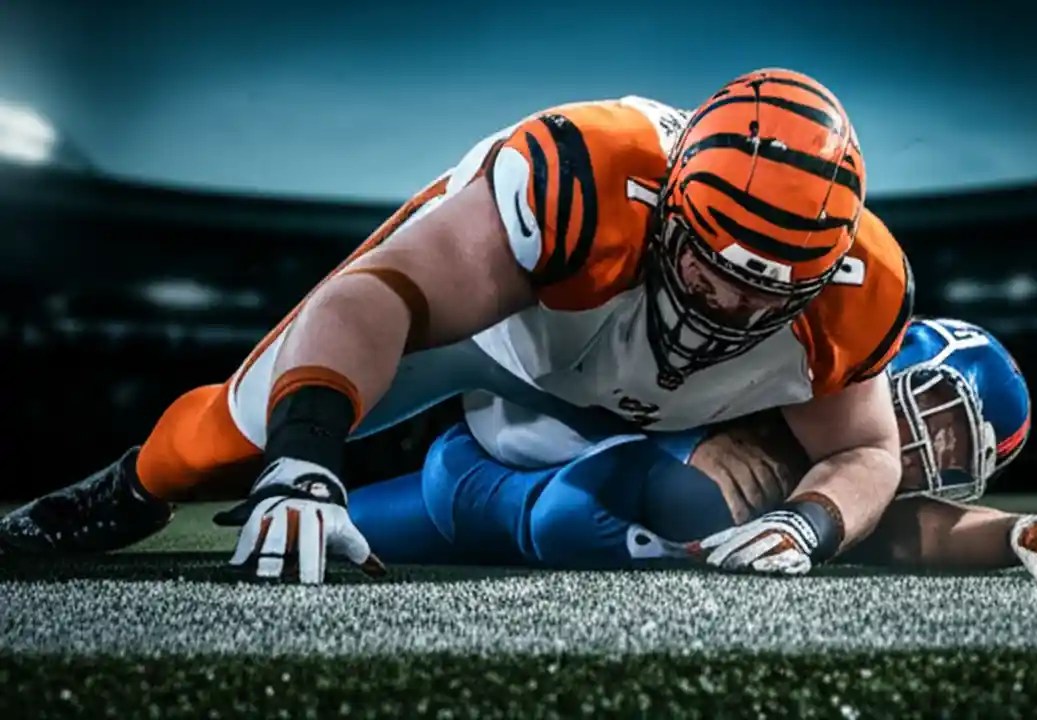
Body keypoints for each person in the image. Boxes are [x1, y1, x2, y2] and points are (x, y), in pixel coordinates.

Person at [1, 69, 915, 584]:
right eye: (710, 270)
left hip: (631, 398)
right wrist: (307, 459)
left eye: (770, 295)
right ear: (665, 208)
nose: (733, 310)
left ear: (824, 271)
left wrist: (811, 524)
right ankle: (130, 486)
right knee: (233, 433)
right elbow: (376, 295)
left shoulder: (859, 289)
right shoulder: (582, 176)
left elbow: (871, 449)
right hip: (510, 330)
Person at [345, 317, 1037, 582]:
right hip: (491, 452)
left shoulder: (860, 473)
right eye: (934, 414)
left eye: (956, 452)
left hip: (505, 511)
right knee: (581, 515)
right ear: (887, 368)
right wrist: (694, 445)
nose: (927, 450)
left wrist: (1013, 532)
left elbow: (903, 530)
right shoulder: (778, 359)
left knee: (574, 523)